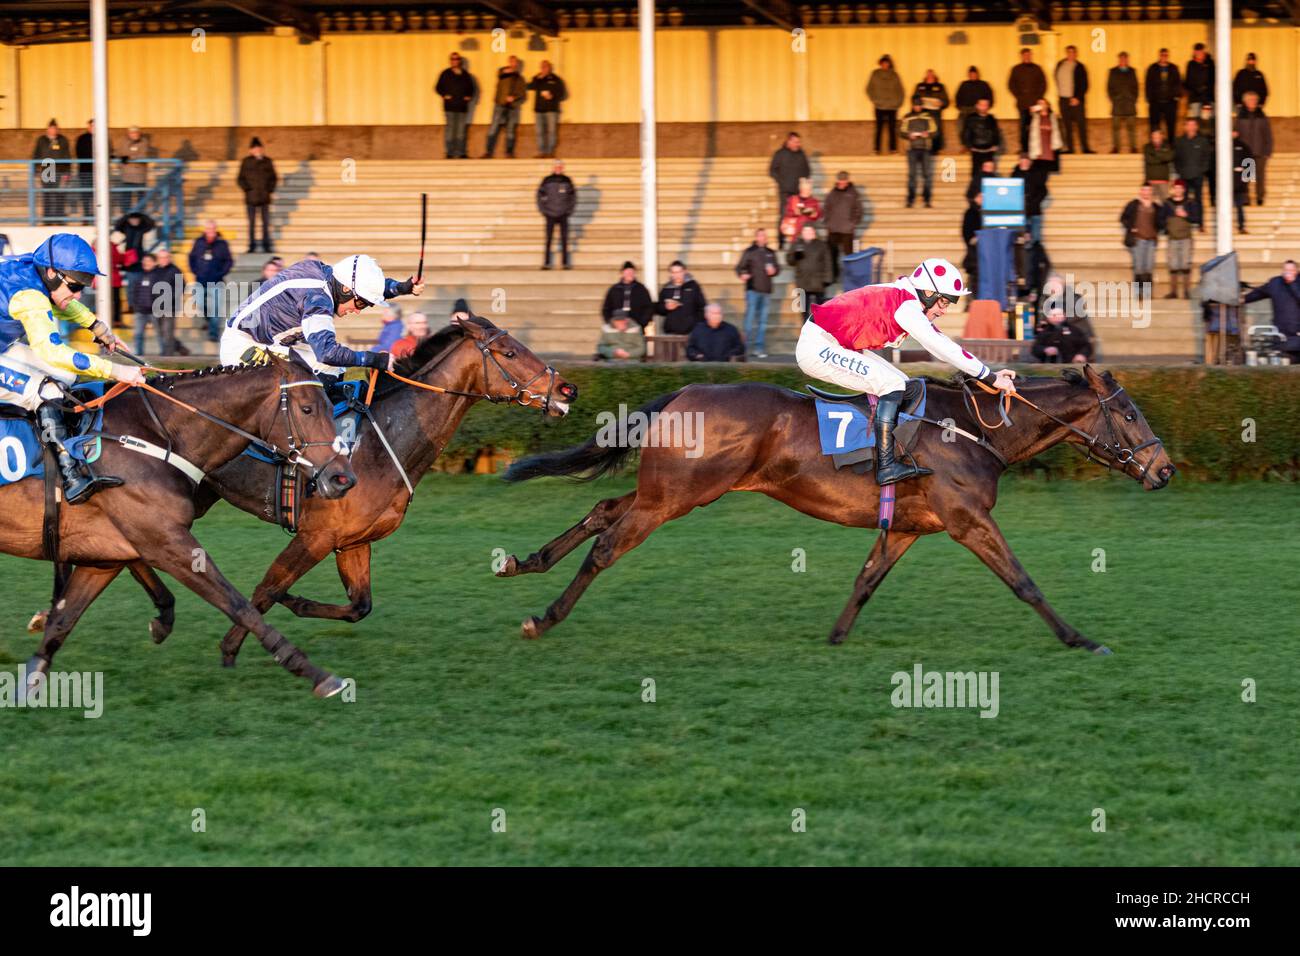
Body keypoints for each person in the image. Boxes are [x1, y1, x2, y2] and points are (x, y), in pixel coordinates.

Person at [794, 257, 1017, 486]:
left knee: (904, 384)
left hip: (833, 342)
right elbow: (941, 348)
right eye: (943, 303)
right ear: (928, 292)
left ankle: (885, 448)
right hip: (818, 346)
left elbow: (941, 341)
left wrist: (986, 374)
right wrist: (989, 377)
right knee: (893, 385)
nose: (944, 311)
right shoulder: (907, 307)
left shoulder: (906, 297)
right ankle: (885, 465)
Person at [0, 234, 144, 502]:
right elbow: (52, 351)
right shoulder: (29, 296)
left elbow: (62, 302)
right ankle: (69, 477)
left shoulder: (36, 269)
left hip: (2, 345)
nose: (79, 294)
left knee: (65, 375)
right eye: (76, 285)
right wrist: (116, 371)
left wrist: (97, 327)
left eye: (84, 286)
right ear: (52, 272)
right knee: (47, 391)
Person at [219, 254, 424, 377]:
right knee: (321, 372)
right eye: (360, 302)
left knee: (334, 372)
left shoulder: (326, 273)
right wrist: (376, 360)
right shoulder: (318, 300)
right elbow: (327, 353)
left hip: (270, 341)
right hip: (243, 347)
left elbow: (366, 286)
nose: (359, 310)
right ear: (344, 290)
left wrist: (401, 287)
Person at [1242, 260, 1299, 363]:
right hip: (1280, 334)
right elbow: (1259, 292)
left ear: (1296, 271)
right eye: (1286, 270)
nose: (1288, 272)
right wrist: (1243, 299)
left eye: (1291, 270)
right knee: (1282, 363)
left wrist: (1293, 283)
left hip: (1297, 334)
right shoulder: (1275, 283)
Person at [735, 229, 779, 359]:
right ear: (756, 237)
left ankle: (759, 348)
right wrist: (742, 274)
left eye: (764, 235)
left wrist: (774, 271)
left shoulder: (771, 252)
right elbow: (739, 267)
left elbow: (777, 269)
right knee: (749, 320)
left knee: (763, 321)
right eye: (760, 235)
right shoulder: (749, 251)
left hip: (766, 291)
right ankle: (746, 348)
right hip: (752, 290)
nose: (762, 238)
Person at [188, 219, 233, 342]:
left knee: (216, 309)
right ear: (205, 230)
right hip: (200, 280)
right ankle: (209, 321)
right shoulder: (199, 242)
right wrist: (195, 271)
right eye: (208, 229)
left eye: (212, 229)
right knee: (200, 304)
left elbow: (229, 261)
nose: (210, 231)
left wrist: (221, 273)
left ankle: (213, 333)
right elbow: (191, 257)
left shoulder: (222, 243)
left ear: (215, 229)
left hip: (217, 281)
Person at [1120, 184, 1167, 300]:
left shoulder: (1156, 206)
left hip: (1151, 241)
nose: (1146, 193)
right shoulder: (1133, 204)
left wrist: (1160, 227)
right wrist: (1131, 227)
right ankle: (1138, 293)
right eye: (1144, 190)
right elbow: (1123, 218)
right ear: (1141, 192)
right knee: (1139, 268)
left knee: (1149, 268)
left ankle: (1147, 293)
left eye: (1149, 191)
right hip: (1138, 240)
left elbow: (1161, 222)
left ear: (1151, 192)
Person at [769, 132, 810, 248]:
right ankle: (781, 242)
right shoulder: (780, 154)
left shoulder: (801, 154)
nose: (798, 144)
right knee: (784, 215)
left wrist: (804, 183)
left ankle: (797, 241)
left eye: (799, 142)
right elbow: (772, 170)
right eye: (796, 141)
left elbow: (807, 171)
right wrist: (782, 182)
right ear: (789, 141)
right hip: (785, 191)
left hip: (798, 193)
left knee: (799, 216)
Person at [237, 137, 277, 253]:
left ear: (262, 149)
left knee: (265, 224)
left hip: (264, 197)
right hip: (251, 198)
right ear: (250, 150)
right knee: (252, 224)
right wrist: (247, 189)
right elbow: (240, 179)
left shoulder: (268, 161)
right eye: (255, 148)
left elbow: (273, 178)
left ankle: (266, 245)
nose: (257, 150)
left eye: (259, 148)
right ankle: (251, 246)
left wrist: (269, 189)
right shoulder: (246, 162)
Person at [822, 171, 863, 283]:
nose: (842, 182)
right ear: (837, 180)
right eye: (840, 180)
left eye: (844, 180)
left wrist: (852, 223)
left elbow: (859, 210)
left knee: (849, 256)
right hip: (833, 230)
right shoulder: (832, 194)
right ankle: (833, 277)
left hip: (847, 231)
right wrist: (828, 223)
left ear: (847, 180)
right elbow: (826, 208)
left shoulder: (854, 194)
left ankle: (849, 277)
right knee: (832, 255)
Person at [1162, 179, 1200, 300]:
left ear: (1183, 190)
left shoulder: (1190, 203)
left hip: (1186, 238)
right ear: (1173, 189)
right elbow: (1160, 218)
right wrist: (1166, 227)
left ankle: (1186, 292)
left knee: (1185, 264)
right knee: (1173, 264)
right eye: (1176, 187)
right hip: (1172, 238)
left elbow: (1196, 218)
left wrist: (1186, 215)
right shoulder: (1167, 203)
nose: (1178, 190)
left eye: (1180, 188)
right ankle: (1173, 292)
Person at [482, 55, 526, 159]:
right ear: (508, 62)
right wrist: (508, 71)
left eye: (515, 62)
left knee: (510, 130)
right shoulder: (503, 73)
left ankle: (509, 152)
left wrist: (514, 97)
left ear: (517, 64)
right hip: (499, 105)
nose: (513, 64)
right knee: (493, 128)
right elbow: (500, 74)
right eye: (511, 62)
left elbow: (522, 94)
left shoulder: (520, 78)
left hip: (513, 107)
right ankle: (488, 152)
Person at [435, 52, 476, 159]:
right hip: (450, 107)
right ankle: (449, 153)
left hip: (462, 107)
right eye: (453, 59)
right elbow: (438, 87)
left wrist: (469, 96)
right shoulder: (445, 73)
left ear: (460, 61)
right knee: (450, 129)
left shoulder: (466, 74)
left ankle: (461, 153)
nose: (455, 61)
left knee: (461, 130)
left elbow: (472, 89)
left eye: (457, 59)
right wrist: (444, 95)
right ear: (450, 61)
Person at [536, 160, 576, 270]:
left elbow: (573, 197)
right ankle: (547, 263)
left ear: (563, 168)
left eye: (560, 167)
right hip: (550, 214)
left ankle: (565, 263)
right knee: (549, 239)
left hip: (563, 214)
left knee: (564, 239)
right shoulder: (547, 180)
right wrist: (544, 210)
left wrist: (569, 210)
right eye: (556, 166)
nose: (558, 168)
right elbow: (539, 196)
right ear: (553, 168)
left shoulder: (567, 180)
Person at [1234, 91, 1272, 206]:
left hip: (1259, 151)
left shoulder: (1262, 116)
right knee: (1247, 177)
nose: (1253, 102)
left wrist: (1267, 150)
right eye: (1250, 100)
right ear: (1245, 102)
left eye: (1255, 100)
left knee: (1260, 176)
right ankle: (1246, 198)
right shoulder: (1240, 116)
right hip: (1246, 152)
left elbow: (1268, 134)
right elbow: (1236, 134)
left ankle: (1260, 197)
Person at [900, 98, 937, 208]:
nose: (918, 107)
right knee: (912, 175)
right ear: (913, 105)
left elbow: (935, 131)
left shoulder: (928, 117)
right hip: (912, 149)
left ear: (922, 106)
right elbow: (901, 131)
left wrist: (928, 134)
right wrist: (908, 135)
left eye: (919, 105)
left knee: (927, 175)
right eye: (916, 105)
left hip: (925, 148)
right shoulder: (907, 117)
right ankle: (910, 199)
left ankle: (927, 199)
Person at [31, 120, 71, 224]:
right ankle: (47, 219)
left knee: (60, 195)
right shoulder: (42, 140)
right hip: (47, 168)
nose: (54, 130)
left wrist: (67, 172)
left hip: (60, 170)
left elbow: (67, 156)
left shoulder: (62, 140)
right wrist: (35, 169)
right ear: (48, 129)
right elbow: (36, 154)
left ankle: (59, 218)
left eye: (55, 128)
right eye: (52, 128)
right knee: (47, 195)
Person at [1055, 45, 1092, 154]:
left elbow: (1085, 84)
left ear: (1076, 54)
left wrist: (1077, 97)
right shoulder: (1060, 65)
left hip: (1076, 100)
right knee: (1067, 126)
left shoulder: (1080, 66)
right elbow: (1057, 79)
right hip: (1063, 99)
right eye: (1069, 52)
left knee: (1081, 125)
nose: (1071, 54)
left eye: (1073, 52)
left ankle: (1085, 148)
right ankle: (1070, 149)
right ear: (1066, 53)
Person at [1173, 118, 1210, 224]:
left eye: (1193, 125)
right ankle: (1185, 223)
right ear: (1185, 127)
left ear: (1196, 127)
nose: (1191, 127)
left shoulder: (1202, 141)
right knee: (1184, 201)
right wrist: (1179, 171)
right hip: (1184, 176)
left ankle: (1200, 223)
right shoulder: (1179, 141)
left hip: (1198, 176)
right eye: (1188, 125)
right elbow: (1176, 158)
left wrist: (1202, 170)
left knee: (1198, 200)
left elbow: (1206, 157)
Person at [1009, 49, 1047, 153]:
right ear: (1021, 56)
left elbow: (1043, 84)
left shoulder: (1037, 68)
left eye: (1029, 55)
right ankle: (1024, 149)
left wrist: (1038, 97)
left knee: (1035, 127)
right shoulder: (1016, 69)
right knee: (1023, 127)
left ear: (1031, 55)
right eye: (1025, 55)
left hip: (1036, 104)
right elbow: (1011, 85)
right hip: (1022, 104)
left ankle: (1037, 147)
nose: (1027, 57)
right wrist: (1019, 96)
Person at [786, 224, 833, 309]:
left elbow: (828, 262)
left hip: (818, 281)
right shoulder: (797, 244)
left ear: (814, 232)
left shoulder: (821, 245)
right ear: (802, 233)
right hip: (802, 280)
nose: (807, 233)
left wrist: (827, 279)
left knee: (820, 307)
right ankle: (805, 321)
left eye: (809, 231)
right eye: (805, 231)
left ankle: (818, 322)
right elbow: (790, 261)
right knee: (804, 308)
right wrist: (795, 256)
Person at [528, 60, 568, 158]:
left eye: (546, 66)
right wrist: (537, 78)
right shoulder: (537, 78)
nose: (543, 68)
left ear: (550, 68)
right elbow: (529, 86)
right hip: (539, 110)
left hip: (552, 110)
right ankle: (542, 152)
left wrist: (552, 96)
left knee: (552, 131)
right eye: (542, 67)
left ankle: (550, 152)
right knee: (539, 132)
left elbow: (563, 94)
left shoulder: (556, 79)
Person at [654, 260, 707, 335]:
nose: (676, 275)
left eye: (679, 272)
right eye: (673, 272)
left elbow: (702, 307)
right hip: (671, 332)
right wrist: (666, 307)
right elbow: (658, 308)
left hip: (690, 333)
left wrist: (695, 325)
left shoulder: (693, 286)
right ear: (670, 274)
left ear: (684, 272)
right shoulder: (666, 288)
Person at [867, 56, 905, 154]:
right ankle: (876, 149)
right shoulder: (875, 74)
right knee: (879, 128)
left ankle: (893, 149)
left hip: (892, 107)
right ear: (880, 63)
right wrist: (875, 100)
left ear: (889, 64)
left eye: (887, 63)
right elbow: (869, 89)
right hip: (879, 106)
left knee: (892, 128)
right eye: (883, 63)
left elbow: (900, 90)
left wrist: (898, 102)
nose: (885, 65)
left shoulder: (895, 75)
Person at [601, 261, 654, 329]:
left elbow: (648, 308)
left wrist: (642, 323)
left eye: (632, 272)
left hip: (636, 326)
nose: (630, 274)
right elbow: (606, 308)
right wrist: (611, 323)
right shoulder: (614, 290)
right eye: (628, 272)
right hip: (617, 326)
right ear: (622, 273)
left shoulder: (641, 289)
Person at [960, 97, 1002, 178]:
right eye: (981, 104)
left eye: (986, 105)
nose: (984, 106)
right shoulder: (970, 118)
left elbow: (996, 132)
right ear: (977, 106)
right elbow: (966, 133)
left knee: (989, 172)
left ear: (988, 106)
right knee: (976, 172)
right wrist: (969, 146)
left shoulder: (991, 118)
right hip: (976, 149)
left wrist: (996, 144)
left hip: (989, 149)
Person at [1145, 48, 1181, 143]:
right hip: (1155, 102)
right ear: (1159, 56)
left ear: (1168, 56)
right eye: (1162, 55)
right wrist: (1150, 99)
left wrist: (1176, 97)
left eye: (1166, 55)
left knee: (1171, 125)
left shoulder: (1174, 68)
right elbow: (1148, 84)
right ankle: (1155, 144)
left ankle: (1171, 145)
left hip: (1170, 102)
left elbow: (1178, 83)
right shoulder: (1152, 68)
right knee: (1155, 126)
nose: (1164, 57)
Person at [1107, 52, 1140, 154]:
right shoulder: (1113, 71)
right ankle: (1116, 147)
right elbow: (1109, 88)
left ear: (1127, 60)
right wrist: (1114, 99)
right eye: (1121, 59)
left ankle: (1133, 147)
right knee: (1115, 128)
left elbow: (1136, 87)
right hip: (1117, 104)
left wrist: (1133, 99)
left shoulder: (1132, 71)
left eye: (1125, 59)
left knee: (1131, 128)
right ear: (1119, 60)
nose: (1123, 61)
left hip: (1130, 104)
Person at [116, 124, 151, 214]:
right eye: (132, 133)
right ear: (128, 134)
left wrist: (129, 157)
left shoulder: (144, 142)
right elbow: (119, 153)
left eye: (136, 132)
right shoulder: (123, 141)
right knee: (126, 197)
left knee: (141, 198)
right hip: (127, 175)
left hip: (139, 175)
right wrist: (127, 157)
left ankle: (140, 215)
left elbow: (143, 155)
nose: (134, 134)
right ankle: (126, 216)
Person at [912, 69, 949, 153]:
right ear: (925, 76)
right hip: (922, 112)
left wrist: (941, 103)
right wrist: (919, 102)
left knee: (935, 130)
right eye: (928, 75)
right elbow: (914, 99)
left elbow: (946, 101)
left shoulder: (940, 86)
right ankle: (921, 148)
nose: (930, 77)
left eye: (931, 75)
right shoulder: (919, 86)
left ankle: (936, 149)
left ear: (935, 76)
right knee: (922, 129)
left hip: (935, 113)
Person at [954, 66, 993, 141]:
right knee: (961, 127)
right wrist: (959, 106)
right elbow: (958, 96)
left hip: (978, 110)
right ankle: (965, 145)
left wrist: (986, 107)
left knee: (976, 128)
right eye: (971, 74)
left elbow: (990, 96)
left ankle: (975, 144)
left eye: (974, 74)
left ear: (977, 74)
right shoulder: (964, 84)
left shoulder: (983, 84)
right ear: (968, 75)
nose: (972, 76)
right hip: (965, 109)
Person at [781, 177, 823, 241]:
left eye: (809, 189)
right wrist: (796, 212)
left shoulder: (814, 201)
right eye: (805, 189)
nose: (807, 191)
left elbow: (818, 215)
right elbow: (787, 213)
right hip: (795, 233)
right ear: (801, 189)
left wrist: (809, 212)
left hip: (808, 234)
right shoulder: (793, 199)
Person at [1183, 43, 1215, 120]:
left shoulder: (1210, 63)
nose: (1199, 54)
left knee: (1208, 119)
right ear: (1194, 52)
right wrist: (1196, 89)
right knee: (1197, 120)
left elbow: (1213, 79)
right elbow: (1188, 81)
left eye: (1201, 52)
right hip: (1195, 98)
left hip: (1207, 98)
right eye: (1197, 52)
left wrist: (1206, 88)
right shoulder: (1190, 64)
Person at [1143, 128, 1175, 201]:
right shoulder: (1147, 147)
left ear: (1162, 137)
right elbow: (1149, 160)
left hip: (1163, 181)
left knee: (1165, 204)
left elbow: (1168, 157)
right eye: (1154, 137)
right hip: (1151, 181)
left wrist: (1155, 153)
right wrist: (1162, 157)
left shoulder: (1167, 146)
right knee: (1151, 204)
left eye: (1158, 137)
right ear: (1151, 137)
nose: (1156, 139)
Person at [1231, 131, 1253, 234]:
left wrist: (1246, 180)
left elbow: (1250, 162)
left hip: (1239, 182)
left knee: (1239, 205)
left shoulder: (1243, 146)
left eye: (1234, 132)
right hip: (1226, 182)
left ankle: (1241, 226)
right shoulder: (1221, 145)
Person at [74, 119, 94, 223]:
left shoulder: (104, 138)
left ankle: (96, 217)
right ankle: (87, 217)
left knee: (98, 196)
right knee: (86, 195)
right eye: (92, 126)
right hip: (85, 172)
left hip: (99, 173)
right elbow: (79, 154)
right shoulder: (82, 139)